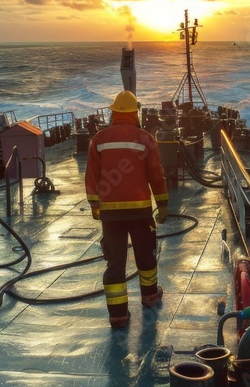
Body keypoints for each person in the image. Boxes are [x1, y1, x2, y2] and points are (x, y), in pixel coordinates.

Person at [85, 90, 169, 328]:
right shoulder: (146, 139)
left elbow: (92, 175)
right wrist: (162, 204)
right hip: (140, 212)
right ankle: (149, 296)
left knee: (115, 263)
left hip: (111, 215)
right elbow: (156, 174)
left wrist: (94, 204)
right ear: (135, 113)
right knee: (145, 255)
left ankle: (118, 315)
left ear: (113, 112)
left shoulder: (99, 139)